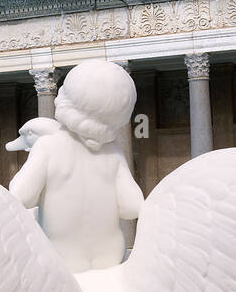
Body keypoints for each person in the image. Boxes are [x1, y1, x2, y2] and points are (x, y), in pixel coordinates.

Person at [7, 61, 143, 271]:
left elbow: (19, 196)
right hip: (110, 258)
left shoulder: (48, 145)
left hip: (62, 260)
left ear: (63, 99)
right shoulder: (113, 153)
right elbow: (132, 207)